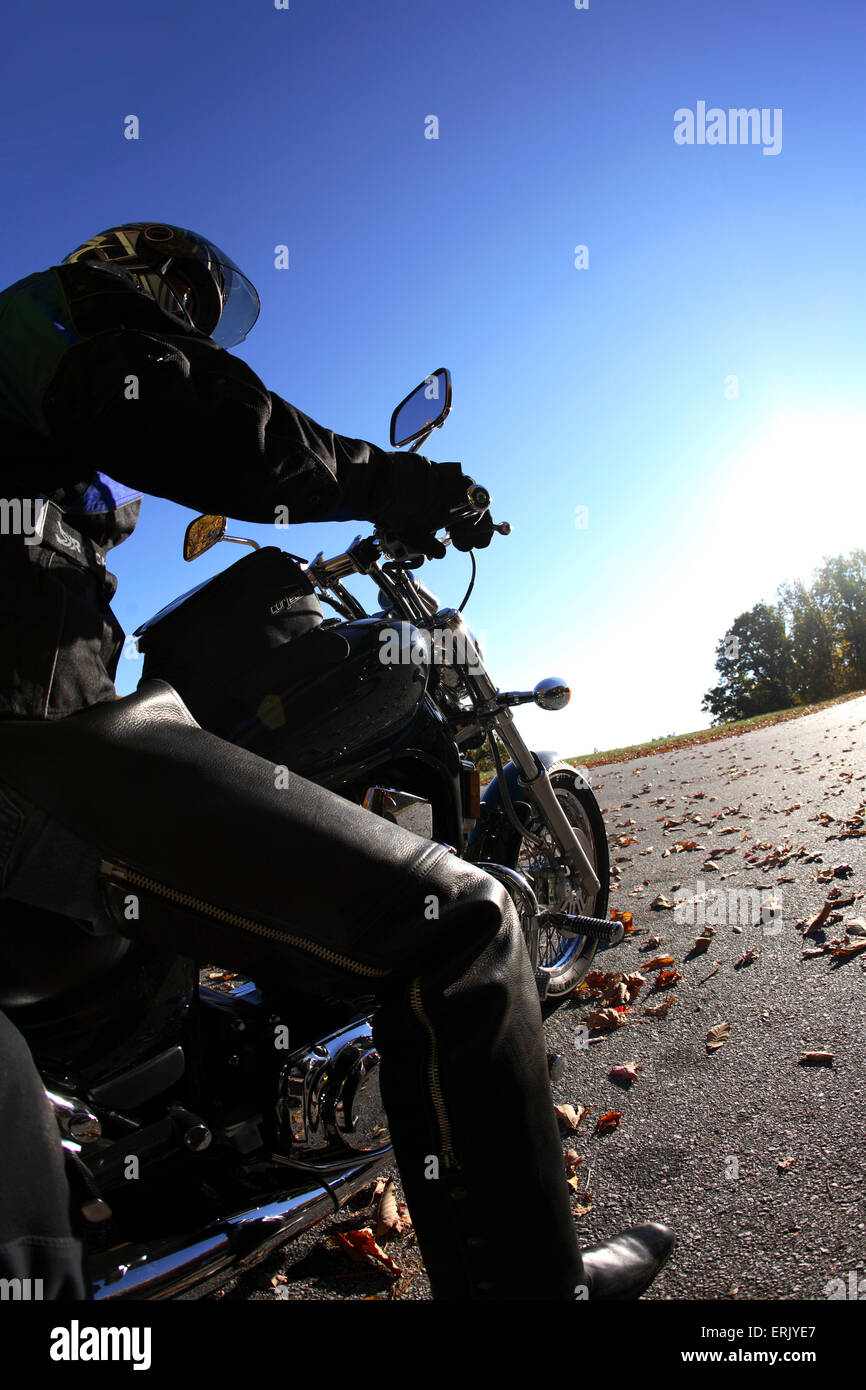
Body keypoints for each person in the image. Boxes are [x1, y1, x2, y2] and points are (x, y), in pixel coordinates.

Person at [0, 222, 674, 1300]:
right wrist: (395, 481)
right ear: (145, 283)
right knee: (458, 922)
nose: (194, 330)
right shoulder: (57, 311)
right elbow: (203, 425)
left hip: (36, 775)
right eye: (192, 308)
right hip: (28, 781)